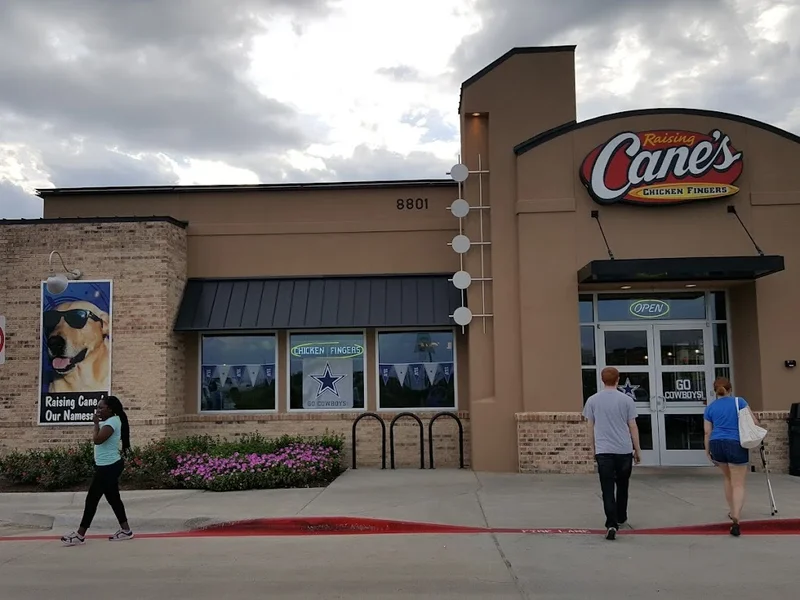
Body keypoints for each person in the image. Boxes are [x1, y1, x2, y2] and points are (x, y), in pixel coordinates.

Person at [61, 395, 134, 546]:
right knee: (113, 499)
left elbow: (98, 440)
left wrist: (95, 424)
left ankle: (80, 535)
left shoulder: (111, 422)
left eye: (101, 407)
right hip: (107, 465)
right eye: (97, 407)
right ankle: (126, 530)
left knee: (92, 499)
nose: (98, 410)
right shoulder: (110, 421)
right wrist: (98, 423)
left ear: (110, 409)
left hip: (109, 467)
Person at [583, 366, 642, 540]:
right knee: (623, 485)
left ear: (602, 380)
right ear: (618, 380)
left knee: (607, 487)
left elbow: (589, 426)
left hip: (604, 451)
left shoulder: (593, 400)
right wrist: (637, 449)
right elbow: (633, 426)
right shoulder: (627, 400)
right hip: (623, 450)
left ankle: (611, 523)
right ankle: (621, 516)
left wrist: (591, 448)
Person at [703, 376, 759, 537]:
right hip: (735, 443)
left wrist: (707, 450)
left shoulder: (710, 408)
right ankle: (736, 517)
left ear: (715, 391)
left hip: (717, 443)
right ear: (730, 389)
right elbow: (754, 422)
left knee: (728, 479)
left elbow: (707, 432)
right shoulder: (739, 402)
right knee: (738, 483)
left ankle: (731, 510)